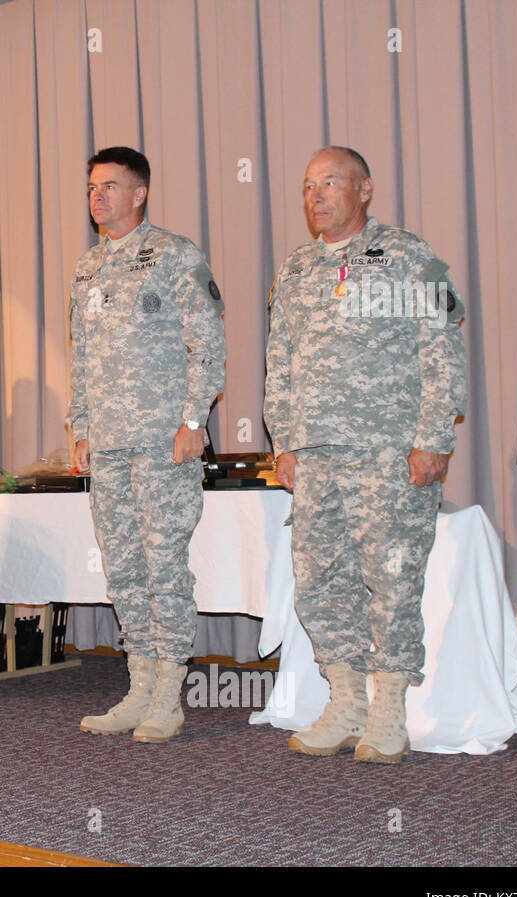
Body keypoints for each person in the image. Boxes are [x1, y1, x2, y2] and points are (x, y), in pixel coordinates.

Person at [264, 146, 468, 764]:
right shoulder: (297, 269)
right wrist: (286, 442)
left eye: (329, 183)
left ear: (365, 189)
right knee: (321, 584)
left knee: (392, 583)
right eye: (307, 186)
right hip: (318, 457)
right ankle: (346, 700)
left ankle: (388, 711)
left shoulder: (409, 255)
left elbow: (442, 348)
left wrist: (434, 436)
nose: (316, 195)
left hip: (390, 454)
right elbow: (280, 363)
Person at [69, 146, 226, 743]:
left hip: (164, 441)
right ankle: (138, 686)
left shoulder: (175, 255)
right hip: (107, 443)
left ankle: (169, 694)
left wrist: (194, 419)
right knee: (124, 567)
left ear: (139, 194)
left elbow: (207, 341)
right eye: (91, 188)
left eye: (110, 186)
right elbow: (80, 356)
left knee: (164, 565)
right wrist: (80, 427)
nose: (98, 197)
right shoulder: (87, 269)